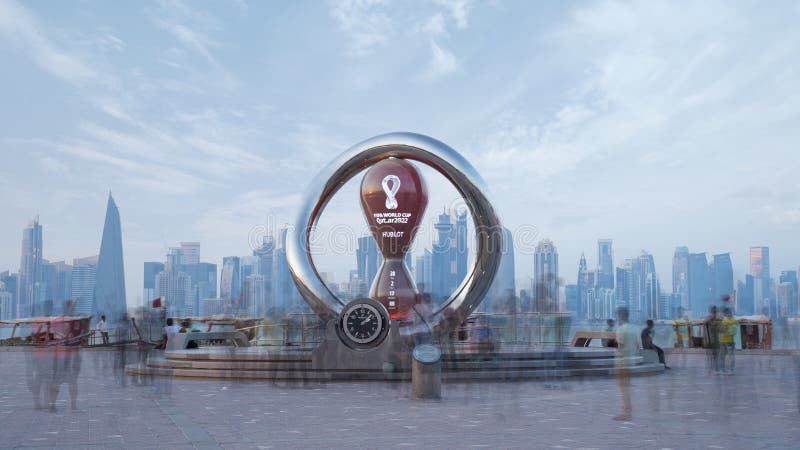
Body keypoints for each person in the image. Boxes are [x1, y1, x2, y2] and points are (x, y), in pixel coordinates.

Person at [614, 307, 639, 421]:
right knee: (626, 387)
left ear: (619, 316)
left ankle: (626, 412)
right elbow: (638, 345)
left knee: (622, 388)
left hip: (622, 361)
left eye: (617, 315)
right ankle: (628, 411)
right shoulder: (634, 328)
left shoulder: (620, 330)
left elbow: (620, 347)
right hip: (631, 360)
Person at [720, 307, 738, 374]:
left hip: (724, 340)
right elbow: (735, 331)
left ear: (725, 313)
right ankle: (731, 370)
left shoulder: (724, 321)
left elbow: (722, 330)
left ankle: (723, 370)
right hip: (731, 340)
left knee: (722, 356)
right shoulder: (734, 321)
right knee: (732, 356)